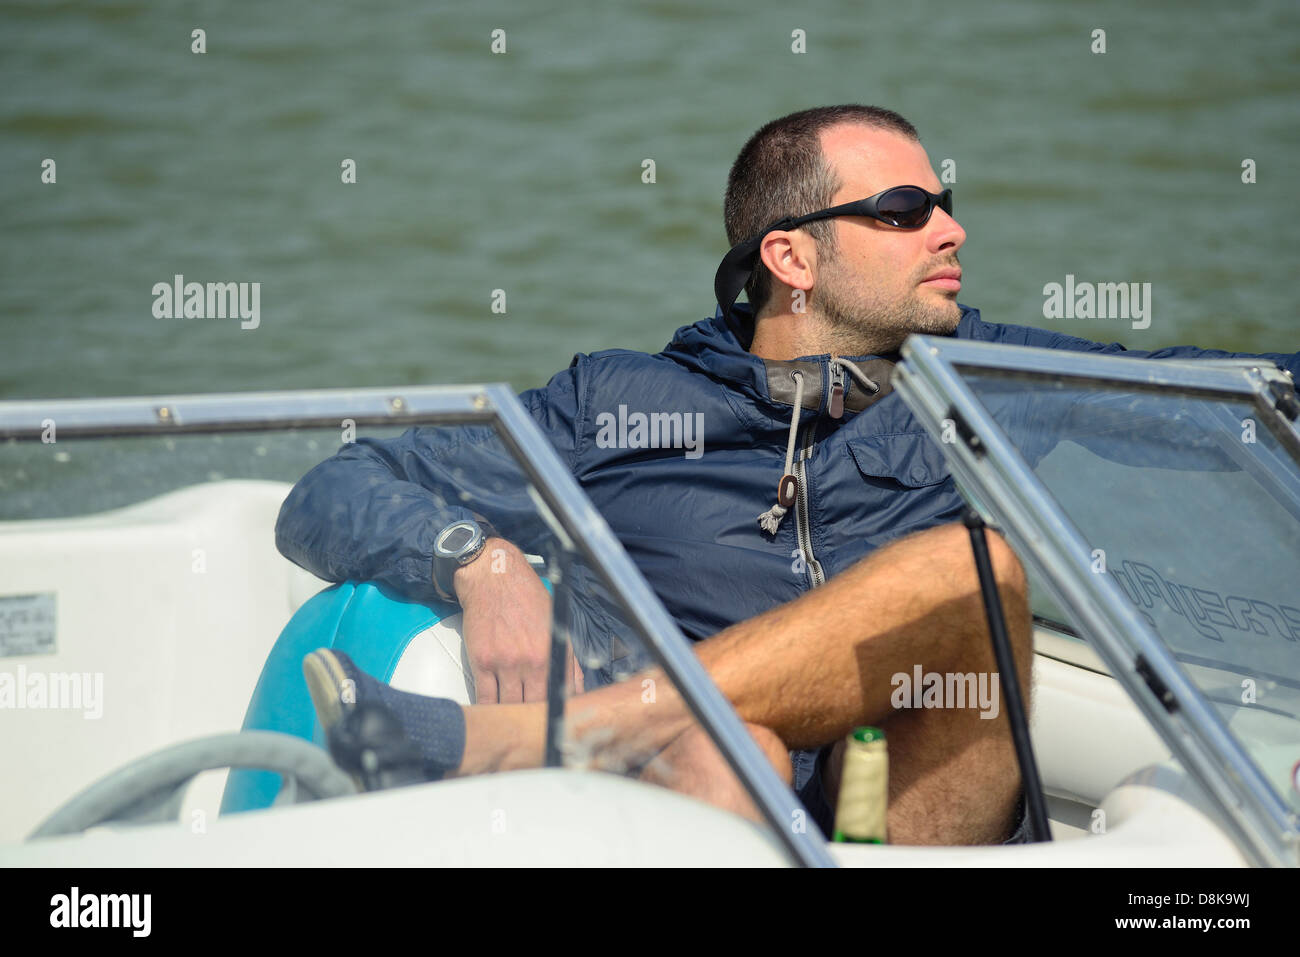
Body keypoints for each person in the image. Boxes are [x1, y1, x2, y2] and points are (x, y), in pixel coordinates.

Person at [276, 104, 1300, 845]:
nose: (950, 231)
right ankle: (588, 739)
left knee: (971, 566)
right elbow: (333, 490)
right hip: (721, 799)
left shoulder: (979, 378)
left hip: (910, 811)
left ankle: (534, 740)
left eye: (945, 205)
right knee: (733, 751)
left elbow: (1200, 397)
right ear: (791, 259)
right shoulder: (614, 404)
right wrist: (481, 561)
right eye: (904, 209)